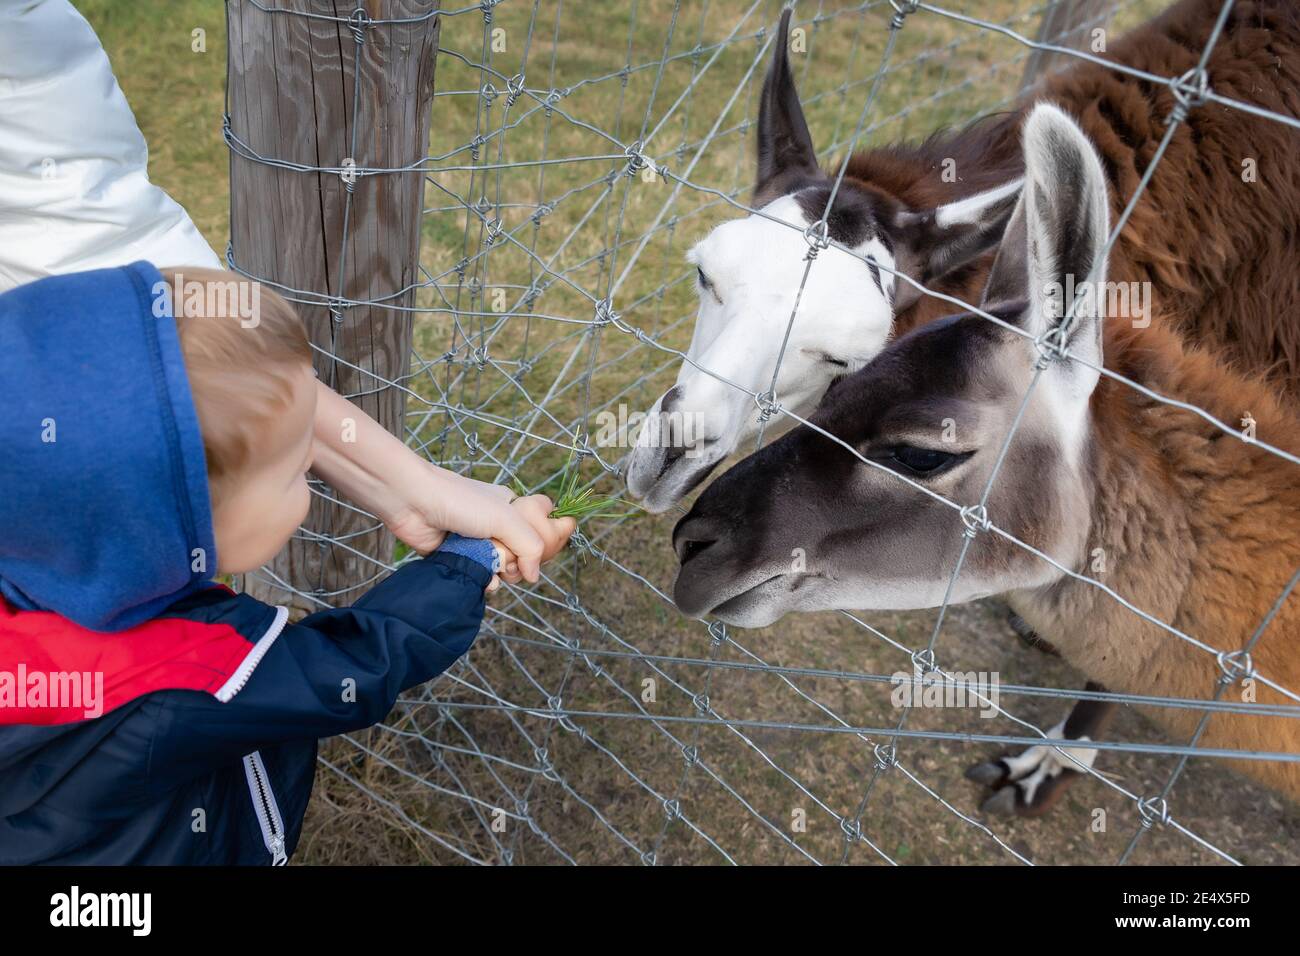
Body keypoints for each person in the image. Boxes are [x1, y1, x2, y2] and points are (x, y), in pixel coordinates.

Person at [0, 263, 575, 864]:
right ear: (184, 524)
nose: (313, 474)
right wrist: (466, 564)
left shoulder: (46, 561)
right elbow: (359, 663)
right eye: (299, 470)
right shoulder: (187, 677)